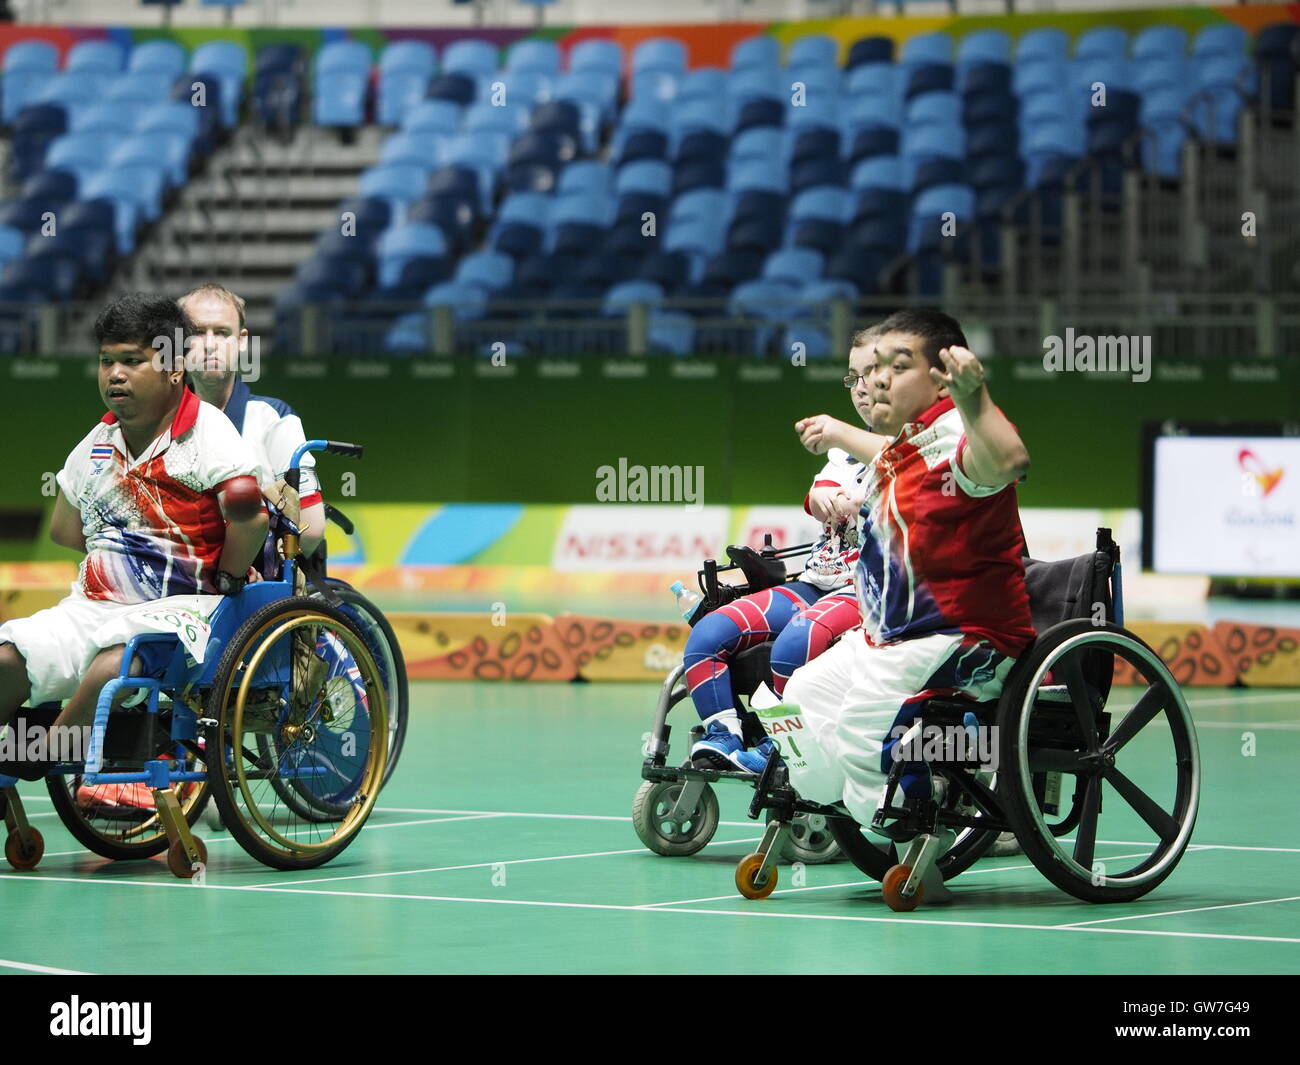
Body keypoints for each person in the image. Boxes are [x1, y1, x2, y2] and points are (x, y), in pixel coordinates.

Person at [781, 308, 1034, 839]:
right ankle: (866, 810)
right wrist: (839, 436)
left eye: (896, 366)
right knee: (801, 701)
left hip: (963, 638)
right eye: (874, 368)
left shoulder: (961, 438)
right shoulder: (907, 444)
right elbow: (883, 454)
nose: (876, 380)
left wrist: (975, 396)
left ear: (941, 374)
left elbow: (1008, 460)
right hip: (888, 637)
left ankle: (921, 835)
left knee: (861, 728)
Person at [0, 293, 268, 786]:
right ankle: (21, 753)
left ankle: (37, 751)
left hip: (183, 608)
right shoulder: (97, 441)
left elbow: (250, 518)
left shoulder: (209, 434)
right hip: (93, 608)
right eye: (106, 362)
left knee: (110, 668)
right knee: (6, 659)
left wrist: (225, 575)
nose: (114, 375)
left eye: (131, 361)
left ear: (171, 368)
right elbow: (65, 529)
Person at [686, 327, 879, 772]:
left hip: (870, 593)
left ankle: (780, 749)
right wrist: (823, 501)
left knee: (795, 643)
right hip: (816, 583)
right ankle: (725, 736)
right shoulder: (842, 454)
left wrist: (863, 506)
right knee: (707, 635)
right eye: (853, 377)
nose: (863, 386)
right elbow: (819, 494)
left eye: (873, 373)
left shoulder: (912, 446)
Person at [179, 283, 325, 559]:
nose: (210, 345)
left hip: (257, 591)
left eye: (222, 333)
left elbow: (311, 527)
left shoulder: (274, 418)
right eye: (197, 333)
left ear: (242, 341)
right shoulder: (160, 422)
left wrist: (258, 567)